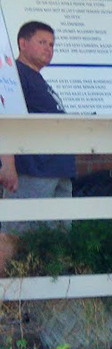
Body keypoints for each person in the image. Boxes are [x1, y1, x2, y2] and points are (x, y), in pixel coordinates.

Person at [0, 21, 75, 272]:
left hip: (57, 171)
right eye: (42, 42)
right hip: (32, 171)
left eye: (52, 44)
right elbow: (4, 119)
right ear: (23, 43)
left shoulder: (36, 78)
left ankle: (45, 304)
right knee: (15, 234)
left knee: (57, 238)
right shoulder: (14, 76)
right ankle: (4, 301)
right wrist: (7, 164)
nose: (49, 48)